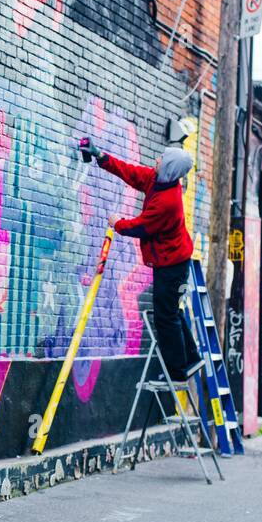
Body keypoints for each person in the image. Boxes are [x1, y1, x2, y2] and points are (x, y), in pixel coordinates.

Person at [88, 144, 202, 380]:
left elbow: (142, 227)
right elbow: (131, 173)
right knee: (171, 311)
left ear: (169, 168)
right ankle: (191, 358)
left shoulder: (168, 202)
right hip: (170, 260)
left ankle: (178, 372)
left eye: (162, 158)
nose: (157, 159)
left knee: (165, 317)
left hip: (173, 265)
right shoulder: (157, 179)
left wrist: (117, 222)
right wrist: (102, 157)